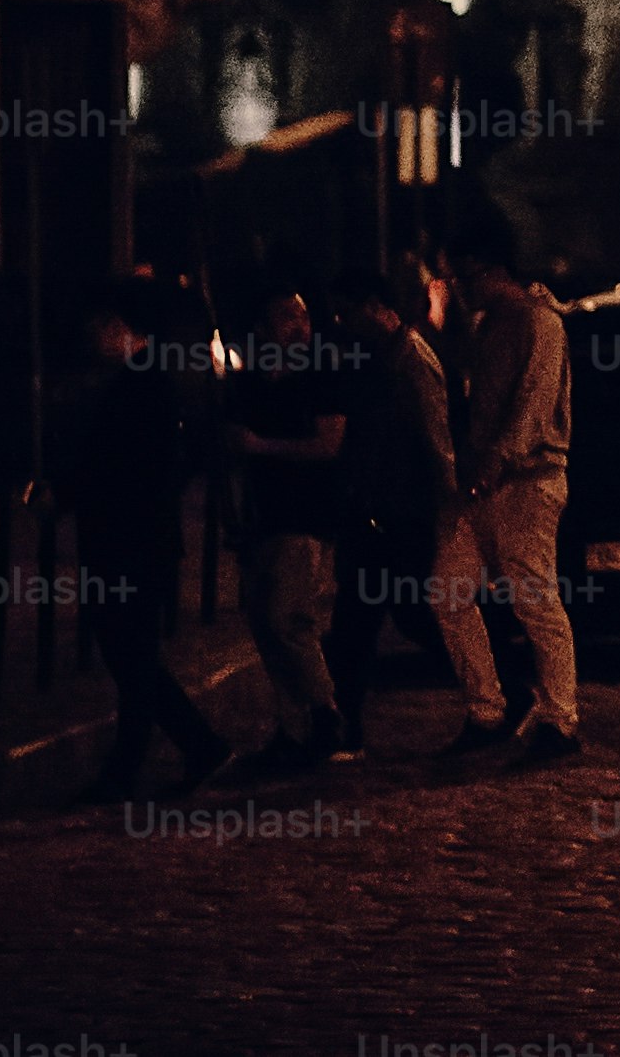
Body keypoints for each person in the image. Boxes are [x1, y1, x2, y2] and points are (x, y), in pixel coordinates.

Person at [62, 288, 229, 800]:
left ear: (121, 328)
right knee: (131, 656)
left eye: (100, 327)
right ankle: (160, 756)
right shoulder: (145, 383)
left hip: (129, 542)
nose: (93, 338)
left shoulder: (141, 387)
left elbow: (126, 469)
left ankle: (169, 753)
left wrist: (71, 492)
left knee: (130, 654)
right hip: (136, 539)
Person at [431, 230, 580, 762]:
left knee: (535, 600)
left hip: (528, 480)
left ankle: (560, 719)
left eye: (466, 277)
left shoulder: (539, 322)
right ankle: (488, 709)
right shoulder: (490, 323)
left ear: (495, 271)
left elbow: (533, 402)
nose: (461, 289)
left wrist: (497, 459)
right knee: (449, 590)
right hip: (485, 483)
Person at [321, 271, 456, 763]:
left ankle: (502, 689)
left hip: (402, 513)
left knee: (413, 616)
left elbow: (435, 440)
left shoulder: (411, 360)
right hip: (374, 510)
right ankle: (345, 726)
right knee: (356, 623)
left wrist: (445, 511)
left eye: (350, 311)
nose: (344, 322)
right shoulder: (376, 358)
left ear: (377, 307)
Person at [224, 286, 350, 770]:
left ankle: (324, 712)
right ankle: (292, 726)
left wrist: (259, 445)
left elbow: (328, 444)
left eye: (302, 317)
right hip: (263, 516)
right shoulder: (253, 382)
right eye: (285, 318)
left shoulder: (322, 376)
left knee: (289, 618)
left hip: (307, 515)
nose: (298, 327)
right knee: (261, 620)